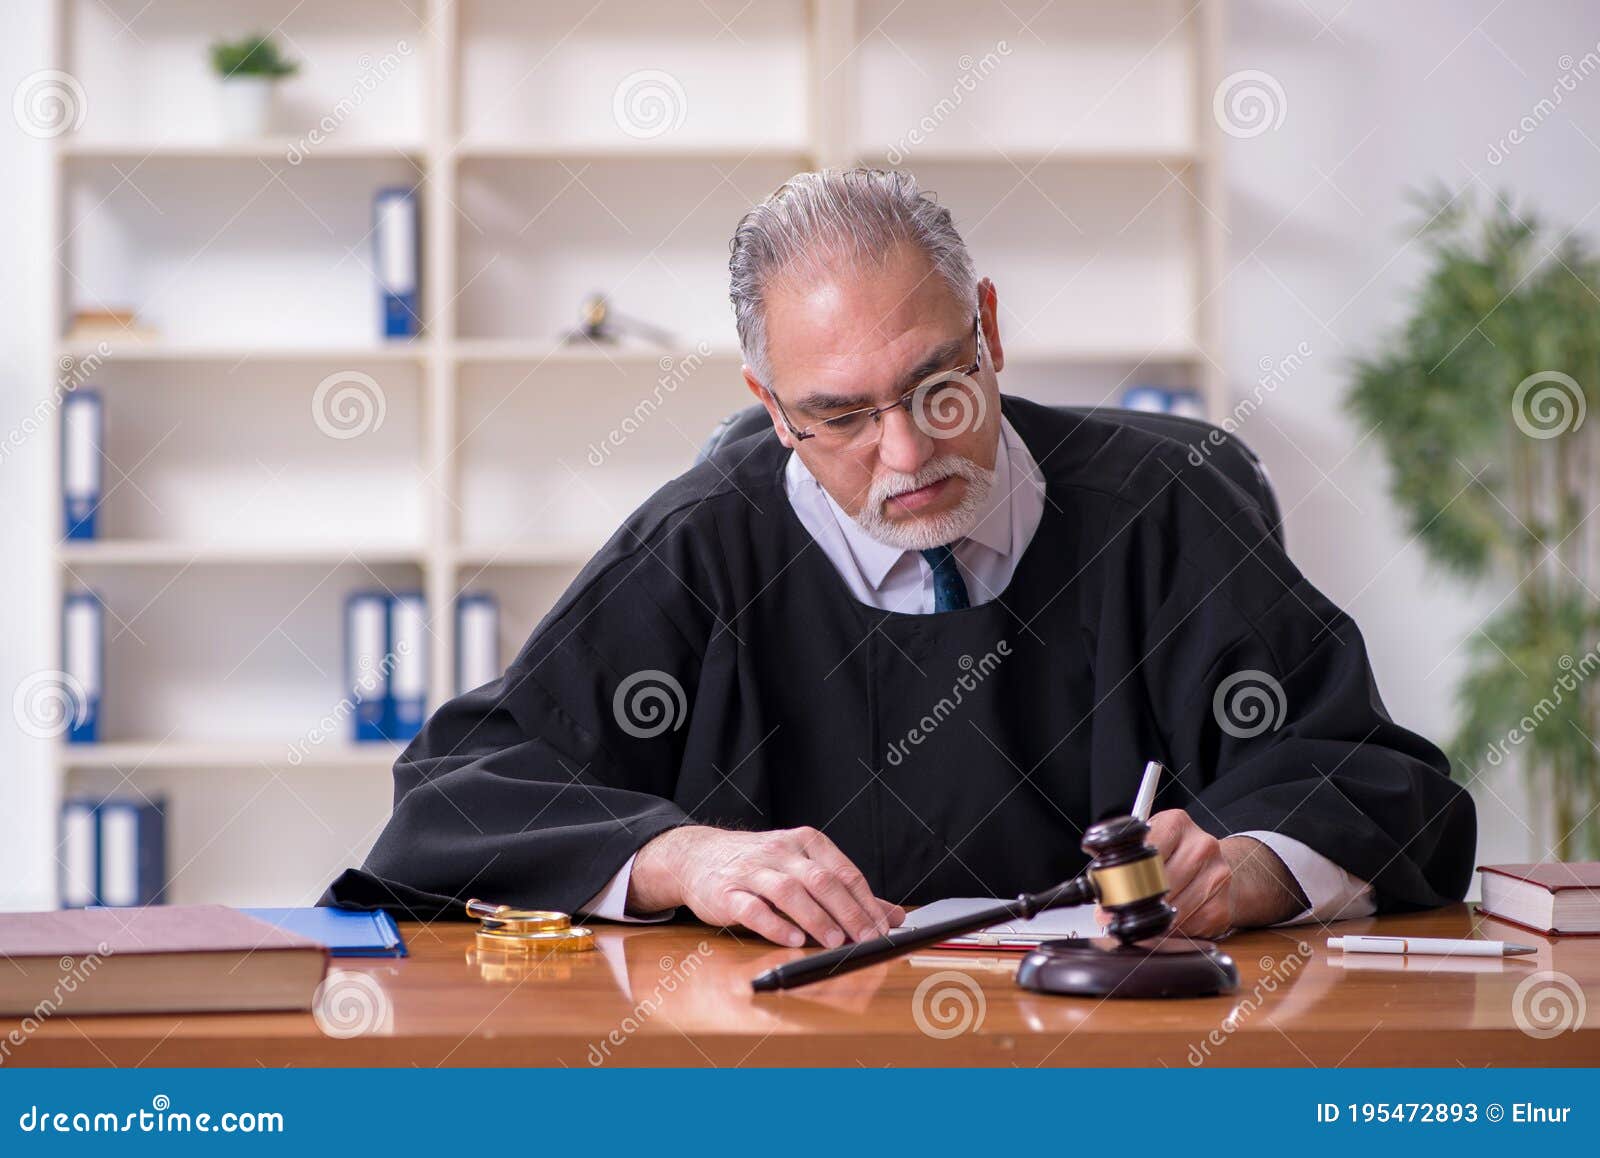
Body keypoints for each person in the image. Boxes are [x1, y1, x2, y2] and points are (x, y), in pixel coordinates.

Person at [326, 168, 1475, 949]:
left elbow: (1381, 781)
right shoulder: (705, 542)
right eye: (837, 416)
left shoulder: (1160, 510)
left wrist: (1249, 869)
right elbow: (460, 796)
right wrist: (681, 859)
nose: (907, 451)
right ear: (769, 408)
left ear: (988, 324)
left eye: (939, 385)